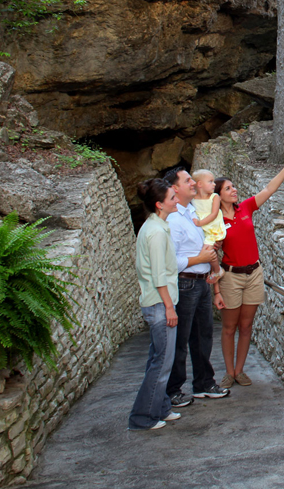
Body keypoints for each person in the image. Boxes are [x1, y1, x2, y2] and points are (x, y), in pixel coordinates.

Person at [214, 155, 284, 388]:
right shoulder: (215, 221)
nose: (234, 190)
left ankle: (240, 370)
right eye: (228, 188)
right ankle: (229, 372)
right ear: (218, 195)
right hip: (230, 276)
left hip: (254, 273)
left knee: (246, 326)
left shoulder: (245, 207)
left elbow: (269, 189)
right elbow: (211, 250)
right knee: (229, 327)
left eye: (233, 186)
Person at [163, 168, 229, 407]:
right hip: (186, 281)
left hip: (201, 283)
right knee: (181, 339)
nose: (192, 183)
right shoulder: (172, 220)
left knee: (203, 337)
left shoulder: (191, 212)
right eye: (187, 180)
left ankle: (203, 383)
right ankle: (172, 390)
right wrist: (200, 259)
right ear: (175, 188)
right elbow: (171, 262)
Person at [128, 179, 182, 431]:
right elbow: (160, 276)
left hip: (157, 303)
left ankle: (161, 408)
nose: (177, 200)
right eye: (172, 197)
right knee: (162, 363)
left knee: (158, 359)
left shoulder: (154, 226)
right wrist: (170, 308)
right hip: (161, 305)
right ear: (159, 204)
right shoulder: (157, 232)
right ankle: (143, 417)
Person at [190, 169, 227, 247]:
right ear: (200, 184)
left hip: (212, 226)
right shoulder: (193, 199)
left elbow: (214, 214)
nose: (214, 184)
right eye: (210, 181)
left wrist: (200, 223)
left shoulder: (214, 197)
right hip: (200, 228)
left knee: (211, 248)